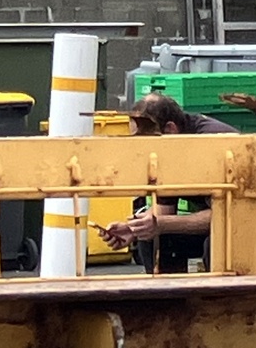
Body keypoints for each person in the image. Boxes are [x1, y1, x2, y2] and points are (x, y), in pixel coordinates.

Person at [99, 92, 238, 273]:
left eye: (145, 141)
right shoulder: (169, 149)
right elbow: (163, 211)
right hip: (222, 218)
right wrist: (133, 228)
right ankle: (168, 298)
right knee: (152, 239)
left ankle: (224, 299)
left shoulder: (213, 144)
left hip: (250, 221)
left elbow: (230, 213)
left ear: (170, 129)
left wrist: (161, 224)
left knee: (216, 242)